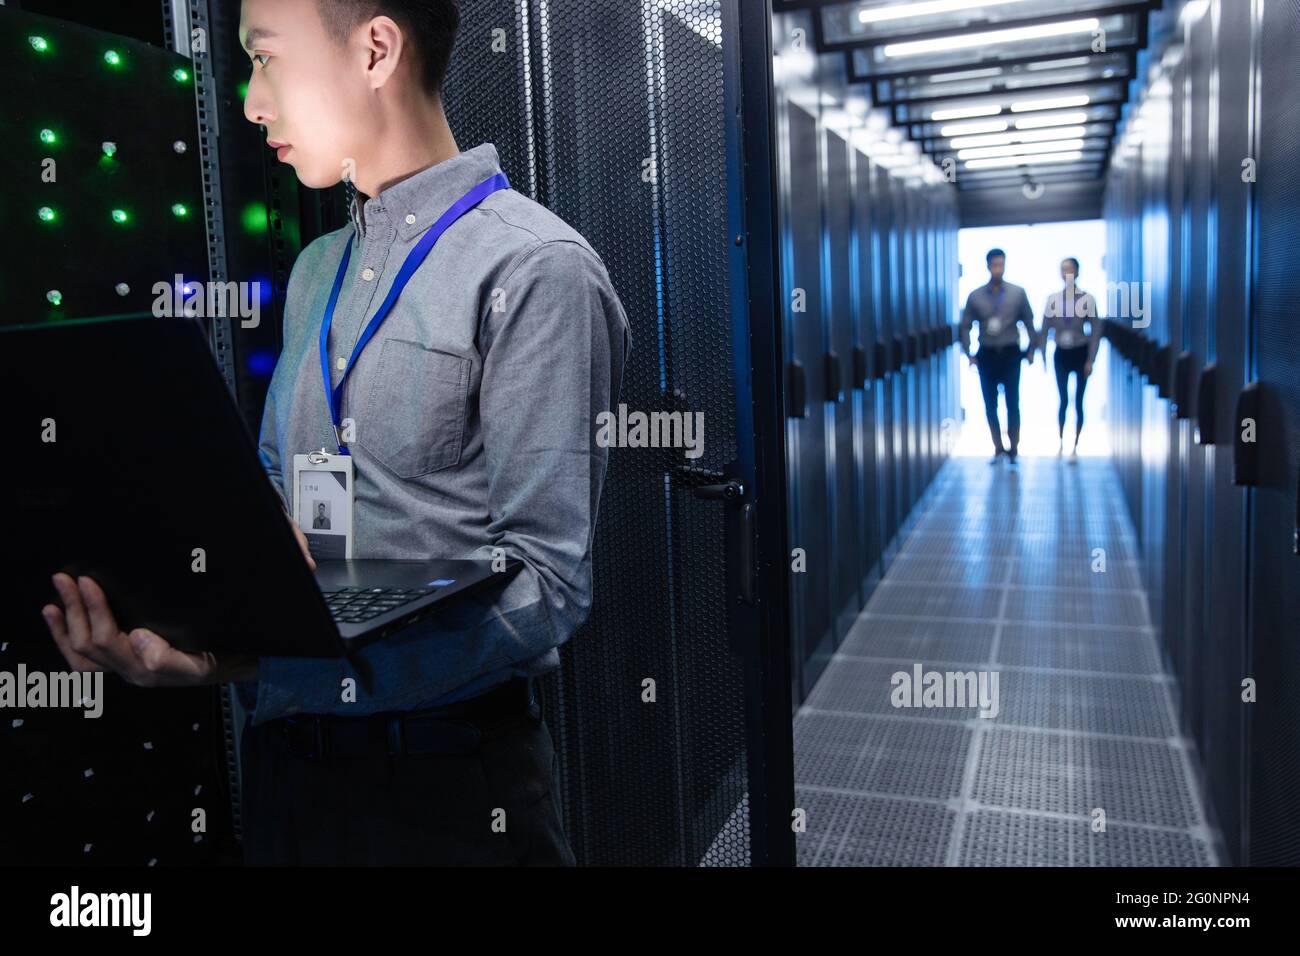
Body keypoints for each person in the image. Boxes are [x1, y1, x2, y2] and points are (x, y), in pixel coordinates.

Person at [40, 0, 631, 865]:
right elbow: (298, 507)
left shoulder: (536, 269)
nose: (251, 102)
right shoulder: (319, 272)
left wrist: (244, 669)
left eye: (265, 58)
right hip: (289, 784)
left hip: (448, 794)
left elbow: (547, 587)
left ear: (376, 50)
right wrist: (187, 593)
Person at [959, 248, 1037, 465]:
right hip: (987, 354)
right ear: (987, 266)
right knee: (990, 404)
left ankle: (1014, 448)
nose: (998, 269)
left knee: (1013, 402)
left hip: (1011, 353)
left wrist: (1032, 350)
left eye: (1001, 264)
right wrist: (969, 353)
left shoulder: (1017, 293)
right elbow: (965, 326)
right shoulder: (975, 296)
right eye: (994, 265)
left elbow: (1030, 323)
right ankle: (998, 447)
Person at [1040, 257, 1101, 461]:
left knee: (1079, 400)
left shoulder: (1087, 299)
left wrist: (1091, 359)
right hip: (1061, 353)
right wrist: (1041, 356)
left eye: (1070, 270)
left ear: (1077, 272)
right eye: (1063, 270)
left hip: (1080, 351)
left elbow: (1095, 331)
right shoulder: (1053, 299)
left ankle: (1075, 444)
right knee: (1063, 399)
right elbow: (1044, 329)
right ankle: (1060, 441)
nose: (1066, 274)